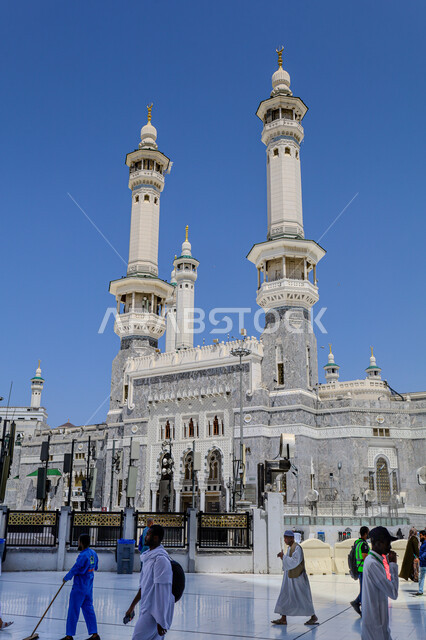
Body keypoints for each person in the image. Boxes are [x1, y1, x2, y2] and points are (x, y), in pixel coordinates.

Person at [125, 524, 175, 639]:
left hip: (153, 614)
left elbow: (163, 592)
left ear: (156, 538)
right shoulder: (148, 557)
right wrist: (132, 607)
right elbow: (143, 587)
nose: (145, 537)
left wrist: (161, 620)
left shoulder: (161, 560)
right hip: (146, 607)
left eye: (148, 534)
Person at [271, 530, 318, 627]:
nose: (285, 540)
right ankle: (283, 618)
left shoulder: (297, 548)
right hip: (289, 579)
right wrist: (283, 557)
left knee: (302, 598)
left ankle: (313, 617)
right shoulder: (290, 548)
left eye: (286, 538)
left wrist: (283, 557)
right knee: (284, 597)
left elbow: (294, 562)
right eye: (284, 538)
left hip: (298, 579)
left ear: (291, 538)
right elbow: (288, 562)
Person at [361, 526, 398, 640]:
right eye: (388, 543)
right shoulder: (373, 564)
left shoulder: (373, 560)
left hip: (378, 626)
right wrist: (393, 565)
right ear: (378, 543)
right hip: (376, 628)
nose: (390, 547)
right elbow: (393, 593)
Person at [61, 533, 100, 640]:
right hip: (89, 586)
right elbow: (95, 567)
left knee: (73, 610)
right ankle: (95, 635)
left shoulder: (83, 555)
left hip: (79, 587)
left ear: (81, 542)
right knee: (88, 609)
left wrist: (66, 577)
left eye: (78, 542)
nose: (78, 544)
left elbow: (76, 568)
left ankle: (69, 636)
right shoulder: (93, 553)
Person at [350, 526, 370, 616]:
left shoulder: (357, 543)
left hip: (358, 568)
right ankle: (360, 605)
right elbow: (365, 557)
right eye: (368, 532)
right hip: (363, 569)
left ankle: (357, 602)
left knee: (364, 589)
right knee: (364, 590)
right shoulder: (364, 545)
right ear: (365, 533)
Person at [413, 529, 426, 596]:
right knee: (421, 578)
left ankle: (420, 591)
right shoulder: (423, 543)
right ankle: (420, 590)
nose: (420, 537)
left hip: (424, 563)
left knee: (422, 577)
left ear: (425, 536)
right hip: (423, 563)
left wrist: (419, 558)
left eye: (421, 536)